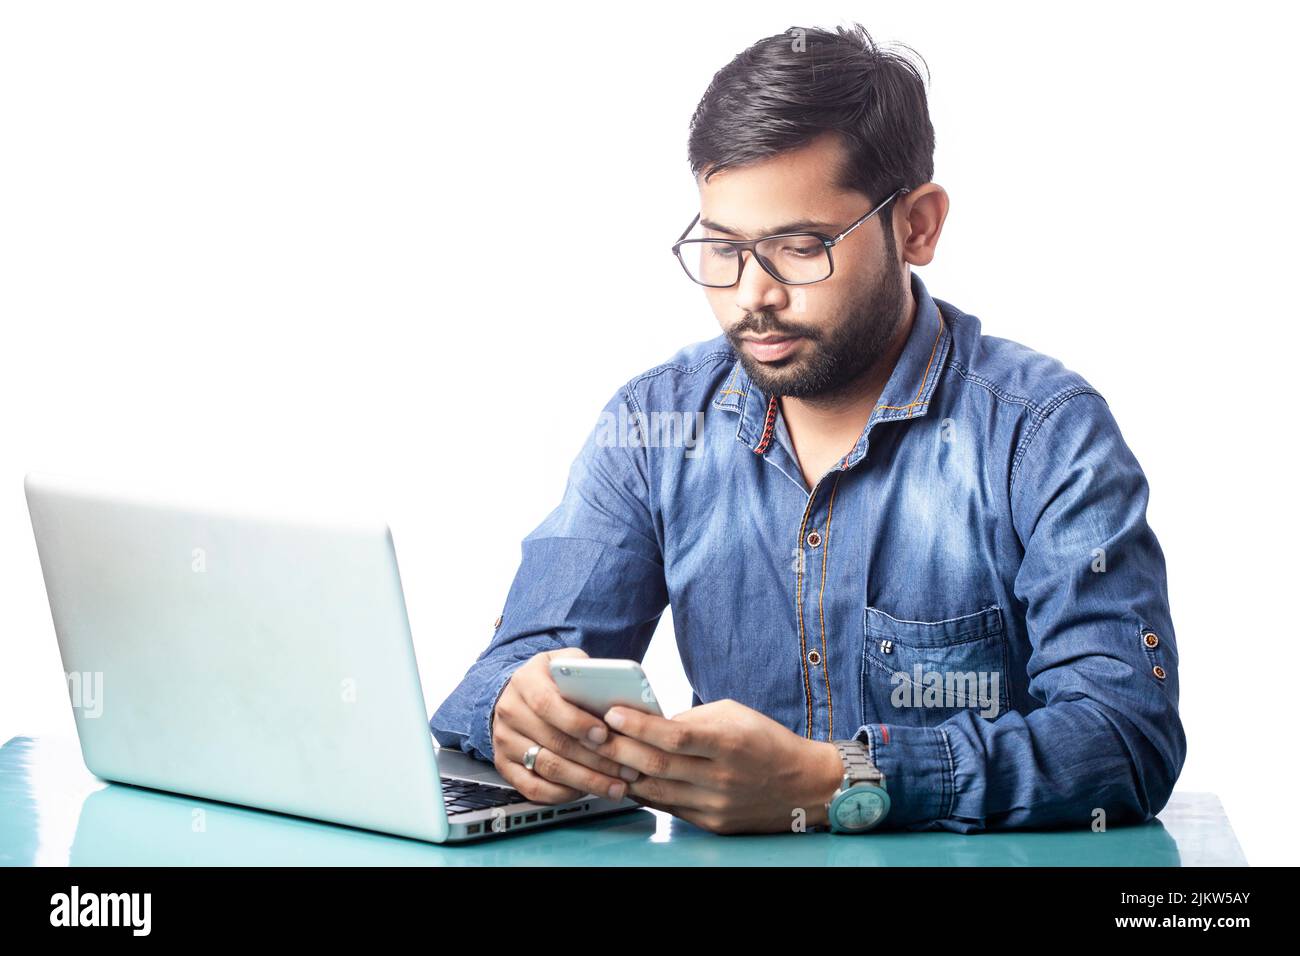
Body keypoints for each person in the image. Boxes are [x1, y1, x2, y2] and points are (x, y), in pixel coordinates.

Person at [429, 22, 1186, 834]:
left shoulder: (1043, 436)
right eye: (721, 249)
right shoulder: (657, 425)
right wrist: (520, 703)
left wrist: (839, 781)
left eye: (800, 246)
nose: (753, 294)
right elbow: (502, 673)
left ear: (918, 227)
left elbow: (1123, 737)